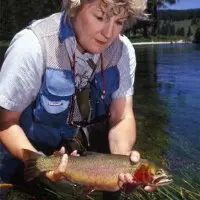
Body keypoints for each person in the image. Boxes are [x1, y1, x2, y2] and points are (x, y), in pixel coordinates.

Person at [0, 0, 155, 198]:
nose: (109, 34)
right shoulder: (31, 46)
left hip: (87, 157)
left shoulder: (123, 51)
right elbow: (5, 123)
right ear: (74, 8)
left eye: (119, 22)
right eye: (100, 17)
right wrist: (39, 163)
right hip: (28, 149)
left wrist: (122, 161)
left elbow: (122, 116)